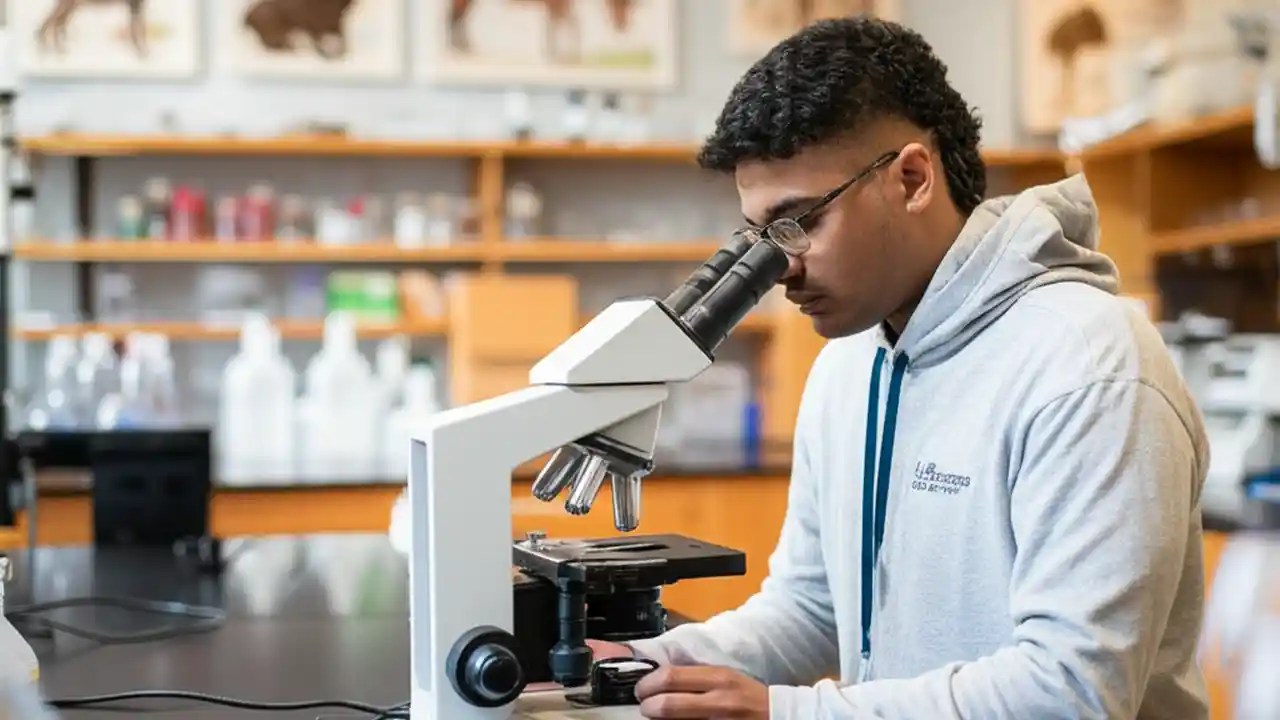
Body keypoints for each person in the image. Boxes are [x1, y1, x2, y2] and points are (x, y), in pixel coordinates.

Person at [589, 16, 1211, 720]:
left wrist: (784, 713)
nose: (779, 267)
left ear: (912, 178)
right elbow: (813, 609)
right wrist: (654, 665)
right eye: (759, 235)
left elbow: (1071, 693)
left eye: (799, 223)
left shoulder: (1089, 364)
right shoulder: (849, 361)